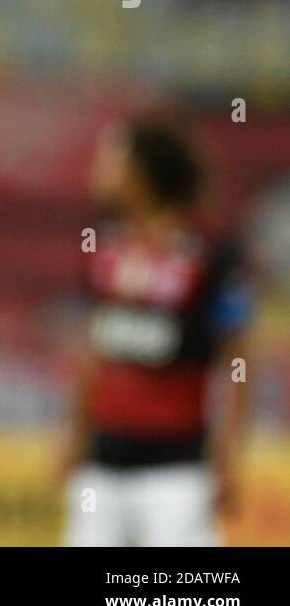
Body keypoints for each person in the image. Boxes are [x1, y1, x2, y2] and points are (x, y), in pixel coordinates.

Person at [59, 117, 254, 546]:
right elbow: (93, 352)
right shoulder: (102, 248)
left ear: (142, 172)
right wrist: (74, 438)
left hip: (177, 470)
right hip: (102, 466)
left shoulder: (212, 256)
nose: (98, 171)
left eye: (111, 159)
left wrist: (227, 458)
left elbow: (237, 360)